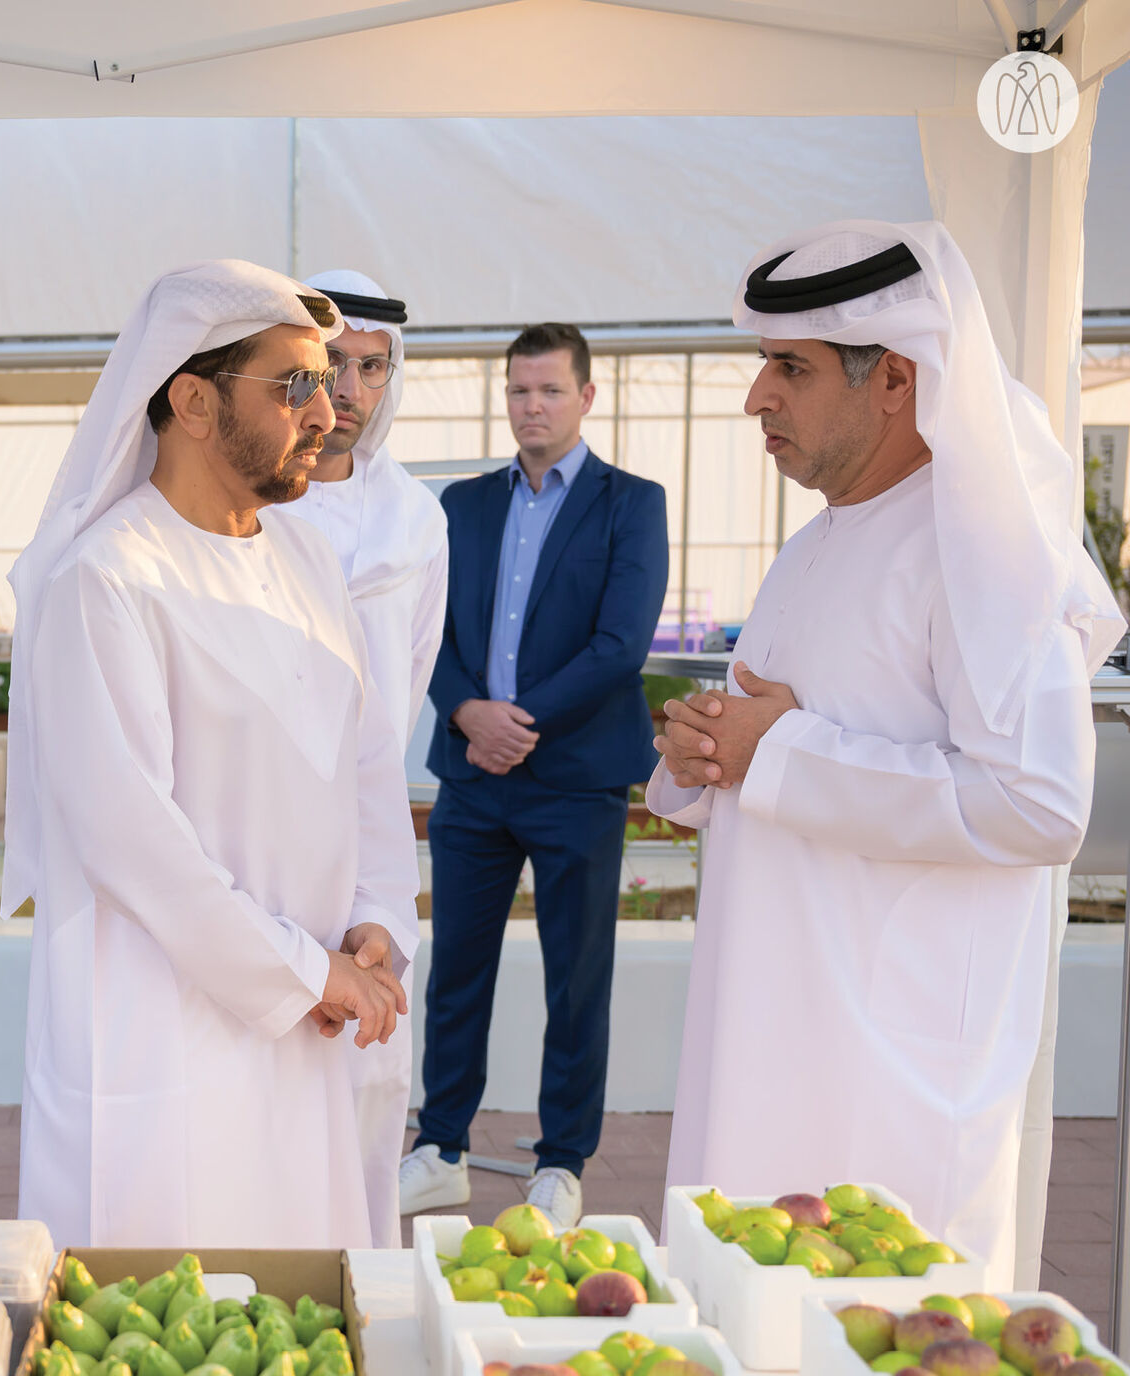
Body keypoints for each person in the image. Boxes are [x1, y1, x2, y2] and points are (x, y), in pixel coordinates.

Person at [650, 220, 1121, 1286]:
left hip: (888, 1070)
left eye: (791, 368)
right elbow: (772, 747)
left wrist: (782, 750)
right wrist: (703, 751)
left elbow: (1039, 804)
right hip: (767, 1026)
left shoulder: (981, 548)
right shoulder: (816, 542)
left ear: (897, 377)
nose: (756, 397)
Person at [5, 259, 418, 1248]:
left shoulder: (312, 559)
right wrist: (302, 969)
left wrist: (372, 924)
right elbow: (137, 842)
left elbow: (368, 770)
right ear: (191, 399)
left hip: (314, 1018)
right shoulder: (106, 579)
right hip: (167, 1026)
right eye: (295, 385)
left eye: (332, 381)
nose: (329, 410)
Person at [402, 322, 669, 1227]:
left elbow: (620, 645)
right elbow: (423, 631)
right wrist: (466, 711)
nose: (532, 407)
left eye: (550, 391)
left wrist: (519, 722)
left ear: (587, 398)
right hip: (475, 776)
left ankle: (562, 1163)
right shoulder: (461, 506)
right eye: (519, 391)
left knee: (576, 977)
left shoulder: (632, 503)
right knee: (455, 972)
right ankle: (438, 1146)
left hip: (576, 777)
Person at [287, 268, 448, 1245]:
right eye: (328, 364)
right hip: (267, 834)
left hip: (375, 848)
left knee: (372, 1080)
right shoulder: (247, 504)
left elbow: (409, 679)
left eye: (368, 367)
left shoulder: (418, 520)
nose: (347, 388)